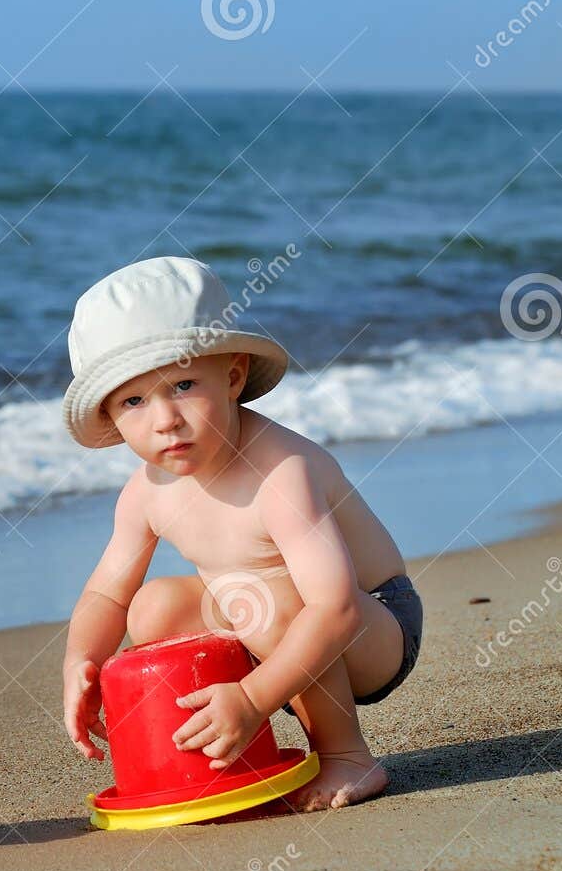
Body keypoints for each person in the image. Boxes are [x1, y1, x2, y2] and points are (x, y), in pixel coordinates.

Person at [59, 257, 422, 810]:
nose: (164, 419)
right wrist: (81, 661)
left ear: (231, 377)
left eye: (182, 385)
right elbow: (107, 591)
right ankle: (227, 750)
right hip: (264, 618)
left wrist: (253, 696)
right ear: (111, 415)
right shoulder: (145, 491)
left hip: (372, 624)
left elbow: (336, 609)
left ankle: (346, 753)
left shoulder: (281, 471)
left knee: (266, 601)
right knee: (152, 607)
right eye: (134, 401)